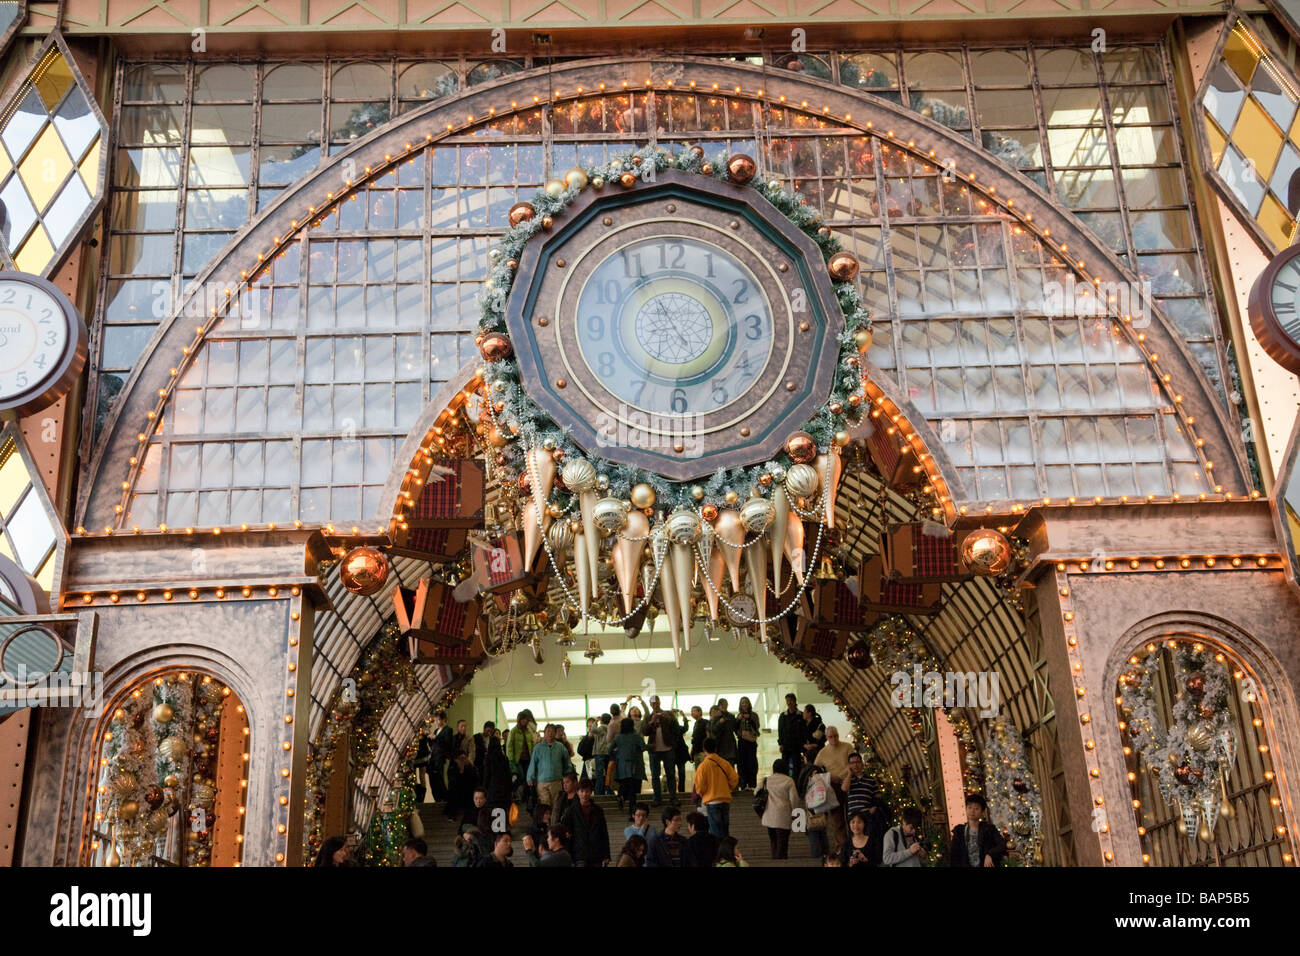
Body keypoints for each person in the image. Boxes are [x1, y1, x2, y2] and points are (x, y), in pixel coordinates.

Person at [814, 726, 854, 854]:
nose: (834, 739)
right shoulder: (823, 752)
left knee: (852, 817)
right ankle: (842, 847)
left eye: (835, 736)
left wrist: (842, 776)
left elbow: (853, 763)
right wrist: (829, 777)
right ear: (826, 738)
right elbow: (815, 769)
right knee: (837, 820)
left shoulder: (847, 747)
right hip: (832, 788)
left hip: (848, 784)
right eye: (831, 737)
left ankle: (854, 844)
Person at [844, 751, 888, 864]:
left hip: (866, 816)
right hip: (853, 817)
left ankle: (867, 861)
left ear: (862, 763)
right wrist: (849, 774)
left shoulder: (870, 779)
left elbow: (878, 795)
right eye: (852, 763)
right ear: (849, 765)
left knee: (868, 841)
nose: (855, 765)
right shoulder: (849, 780)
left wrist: (872, 809)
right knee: (853, 840)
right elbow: (844, 788)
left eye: (858, 762)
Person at [693, 737, 739, 839]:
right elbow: (734, 778)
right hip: (725, 799)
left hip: (712, 801)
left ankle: (719, 852)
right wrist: (728, 788)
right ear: (716, 748)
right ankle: (726, 851)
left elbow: (699, 786)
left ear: (704, 750)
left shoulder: (703, 766)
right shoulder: (724, 763)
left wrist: (703, 793)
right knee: (725, 830)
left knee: (716, 832)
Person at [525, 723, 574, 816]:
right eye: (548, 731)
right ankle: (546, 827)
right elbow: (533, 764)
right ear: (544, 733)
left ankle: (555, 826)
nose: (550, 733)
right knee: (544, 806)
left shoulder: (560, 747)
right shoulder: (538, 748)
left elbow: (567, 761)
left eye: (552, 731)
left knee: (557, 806)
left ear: (555, 733)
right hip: (542, 782)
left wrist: (568, 773)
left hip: (557, 781)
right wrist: (530, 777)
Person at [643, 694, 684, 805]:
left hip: (668, 748)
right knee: (655, 775)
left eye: (656, 702)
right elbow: (644, 732)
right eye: (652, 703)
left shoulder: (668, 714)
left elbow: (677, 730)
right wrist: (651, 722)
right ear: (650, 705)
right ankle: (657, 798)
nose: (655, 705)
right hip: (654, 749)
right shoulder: (648, 716)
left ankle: (673, 797)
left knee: (671, 774)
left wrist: (670, 719)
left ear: (660, 702)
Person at [758, 758, 801, 860]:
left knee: (773, 840)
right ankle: (781, 859)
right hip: (783, 815)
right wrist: (795, 812)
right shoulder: (789, 780)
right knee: (783, 840)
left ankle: (775, 858)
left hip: (769, 815)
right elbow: (794, 799)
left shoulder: (766, 780)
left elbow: (756, 792)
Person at [561, 778, 610, 867]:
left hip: (596, 853)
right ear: (578, 792)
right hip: (579, 854)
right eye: (582, 791)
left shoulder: (598, 811)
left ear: (591, 792)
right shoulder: (571, 811)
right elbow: (566, 831)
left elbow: (603, 833)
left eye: (587, 791)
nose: (584, 794)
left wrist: (606, 855)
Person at [950, 794, 1007, 867]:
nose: (972, 811)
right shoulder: (959, 831)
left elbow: (1002, 844)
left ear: (982, 812)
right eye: (969, 807)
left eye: (976, 808)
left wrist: (990, 854)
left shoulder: (989, 829)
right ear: (966, 809)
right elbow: (954, 855)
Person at [609, 716, 647, 812]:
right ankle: (632, 811)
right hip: (635, 766)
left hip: (622, 766)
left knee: (624, 784)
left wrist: (617, 755)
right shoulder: (637, 736)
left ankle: (621, 796)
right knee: (633, 789)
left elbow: (610, 750)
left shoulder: (618, 738)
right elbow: (643, 748)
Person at [797, 761, 829, 863]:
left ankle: (820, 858)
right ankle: (822, 858)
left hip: (812, 813)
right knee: (821, 836)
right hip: (819, 811)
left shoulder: (805, 776)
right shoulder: (815, 777)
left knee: (816, 836)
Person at [445, 718, 477, 819]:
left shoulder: (469, 738)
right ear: (458, 727)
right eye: (461, 726)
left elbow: (472, 752)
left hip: (466, 765)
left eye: (465, 726)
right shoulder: (454, 738)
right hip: (455, 766)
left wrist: (468, 762)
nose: (463, 728)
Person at [777, 693, 806, 779]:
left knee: (797, 767)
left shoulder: (800, 715)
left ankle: (796, 785)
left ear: (794, 701)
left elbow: (803, 731)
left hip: (796, 747)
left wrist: (802, 745)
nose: (789, 703)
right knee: (785, 767)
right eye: (787, 701)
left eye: (790, 701)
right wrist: (780, 744)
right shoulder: (783, 716)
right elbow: (780, 731)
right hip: (786, 746)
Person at [735, 697, 761, 790]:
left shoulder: (754, 715)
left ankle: (752, 784)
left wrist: (749, 718)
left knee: (752, 763)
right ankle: (743, 784)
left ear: (749, 704)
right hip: (742, 742)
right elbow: (735, 729)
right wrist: (738, 720)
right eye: (742, 703)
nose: (744, 704)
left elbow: (757, 726)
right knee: (741, 763)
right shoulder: (738, 716)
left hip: (751, 742)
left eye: (746, 702)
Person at [481, 733, 512, 811]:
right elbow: (508, 775)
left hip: (492, 790)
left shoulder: (488, 759)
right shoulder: (504, 759)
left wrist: (484, 788)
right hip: (504, 791)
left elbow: (487, 776)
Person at [427, 712, 453, 804]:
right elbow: (433, 745)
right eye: (436, 720)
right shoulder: (436, 731)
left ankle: (444, 798)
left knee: (441, 778)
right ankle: (437, 798)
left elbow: (447, 744)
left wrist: (436, 738)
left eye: (439, 720)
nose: (437, 722)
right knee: (433, 779)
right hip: (434, 758)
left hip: (441, 758)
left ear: (443, 719)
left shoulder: (448, 730)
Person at [506, 711, 536, 786]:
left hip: (528, 759)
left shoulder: (529, 731)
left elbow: (532, 744)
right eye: (523, 719)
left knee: (528, 778)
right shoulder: (513, 731)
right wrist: (511, 759)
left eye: (526, 719)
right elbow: (509, 746)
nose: (524, 721)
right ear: (519, 720)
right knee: (520, 777)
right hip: (517, 760)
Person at [709, 699, 738, 765]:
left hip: (730, 747)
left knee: (730, 768)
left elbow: (735, 728)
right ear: (719, 706)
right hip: (720, 747)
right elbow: (713, 730)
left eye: (725, 704)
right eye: (722, 705)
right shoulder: (716, 717)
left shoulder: (731, 716)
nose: (724, 706)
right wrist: (719, 722)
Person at [592, 713, 613, 795]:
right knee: (607, 774)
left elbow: (593, 730)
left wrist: (595, 721)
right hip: (607, 753)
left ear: (602, 720)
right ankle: (608, 791)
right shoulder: (610, 728)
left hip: (600, 753)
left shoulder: (602, 727)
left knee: (599, 774)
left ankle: (598, 793)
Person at [801, 704, 826, 768]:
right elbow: (800, 737)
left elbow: (825, 737)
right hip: (807, 752)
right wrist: (804, 745)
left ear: (809, 713)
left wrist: (816, 745)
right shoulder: (803, 724)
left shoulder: (819, 724)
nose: (803, 713)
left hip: (818, 751)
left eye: (804, 712)